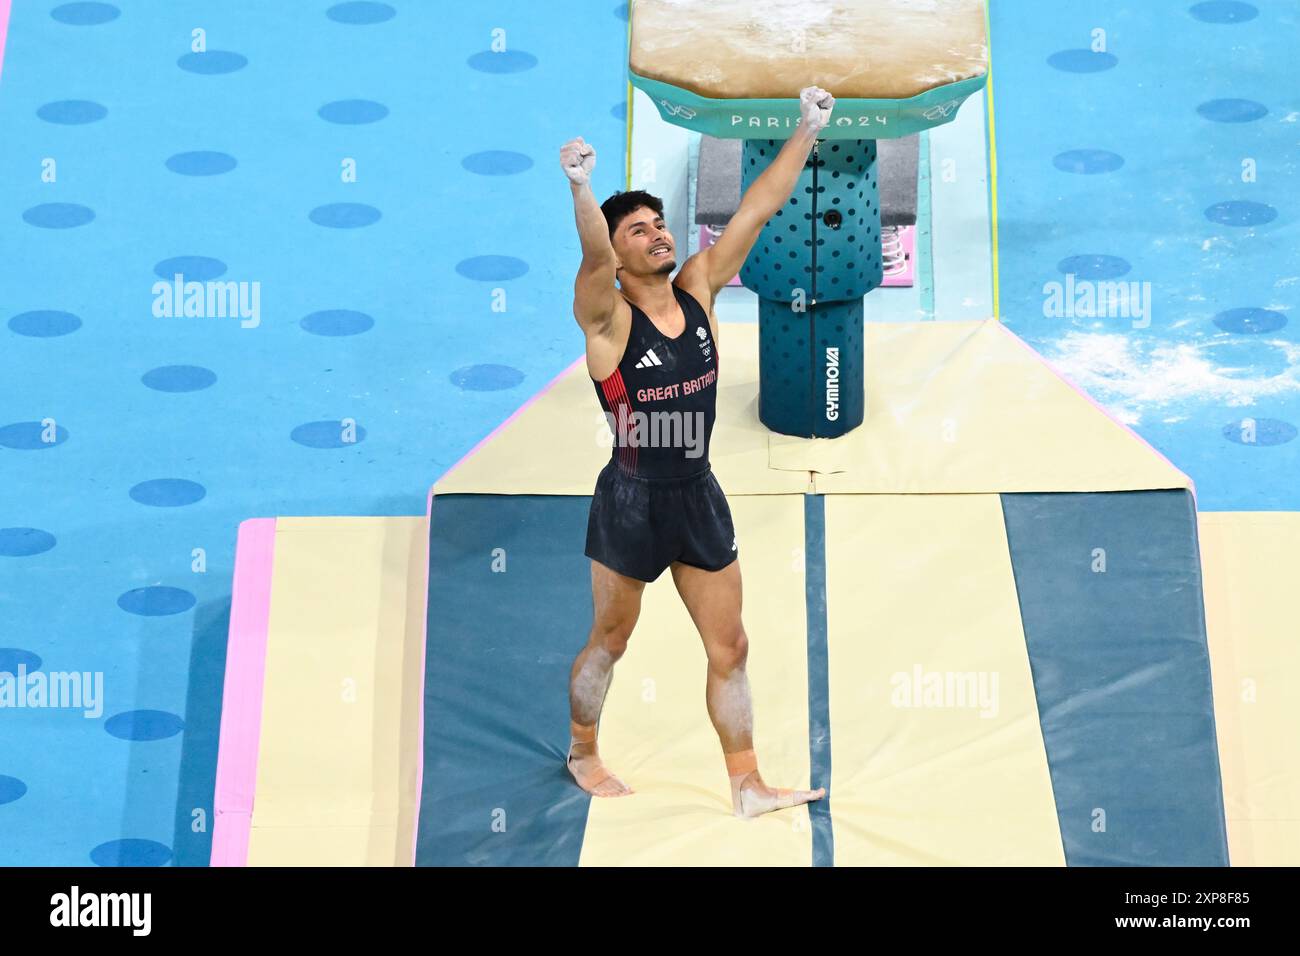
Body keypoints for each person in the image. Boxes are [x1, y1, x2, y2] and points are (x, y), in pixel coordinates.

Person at [560, 86, 834, 818]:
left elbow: (756, 209)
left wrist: (808, 130)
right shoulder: (606, 320)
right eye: (638, 231)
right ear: (616, 257)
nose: (657, 235)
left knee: (731, 647)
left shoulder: (701, 288)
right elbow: (590, 253)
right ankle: (583, 750)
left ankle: (746, 784)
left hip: (696, 493)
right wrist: (583, 189)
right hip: (630, 499)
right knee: (611, 641)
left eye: (659, 224)